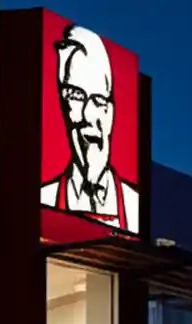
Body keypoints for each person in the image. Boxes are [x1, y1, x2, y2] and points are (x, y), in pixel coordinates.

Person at [39, 24, 139, 233]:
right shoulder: (43, 198)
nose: (88, 115)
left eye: (99, 100)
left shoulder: (135, 206)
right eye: (76, 96)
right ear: (63, 107)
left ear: (110, 112)